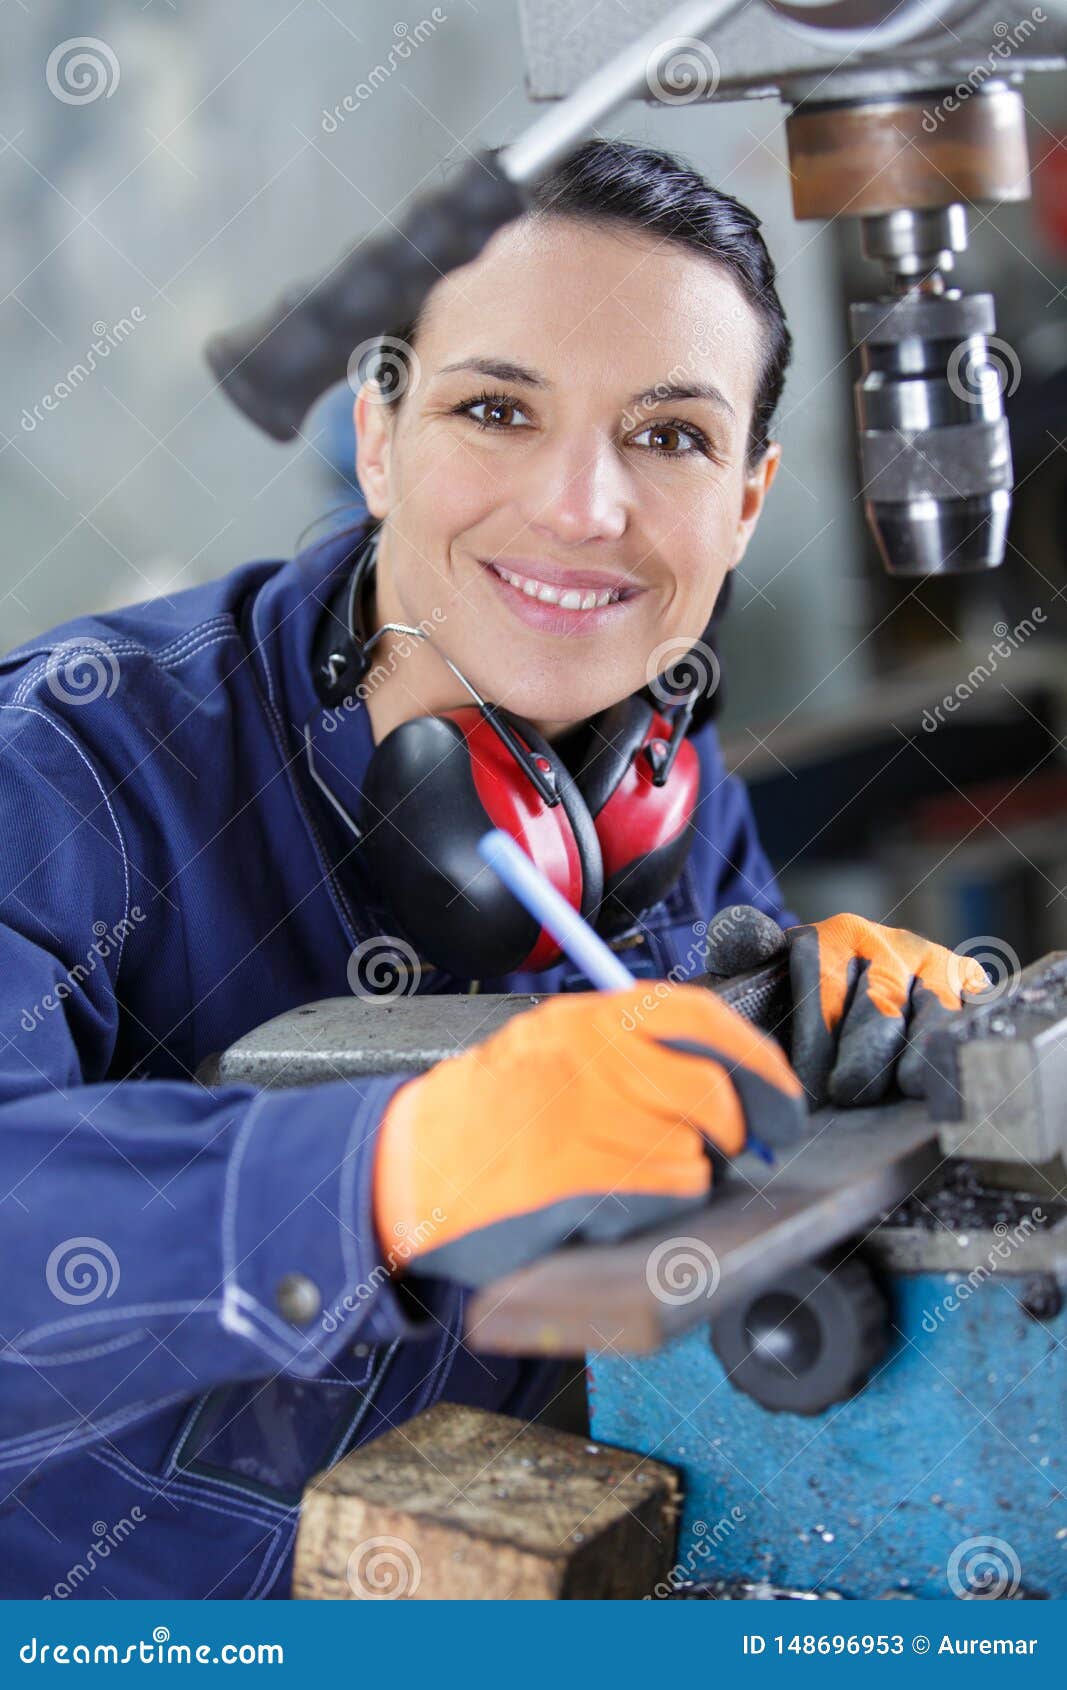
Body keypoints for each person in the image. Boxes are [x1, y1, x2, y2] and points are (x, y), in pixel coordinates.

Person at [0, 139, 985, 1600]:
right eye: (495, 408)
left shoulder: (667, 798)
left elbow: (728, 1193)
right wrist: (390, 1172)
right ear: (379, 433)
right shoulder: (71, 764)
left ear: (750, 499)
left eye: (670, 437)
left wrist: (834, 1023)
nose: (584, 506)